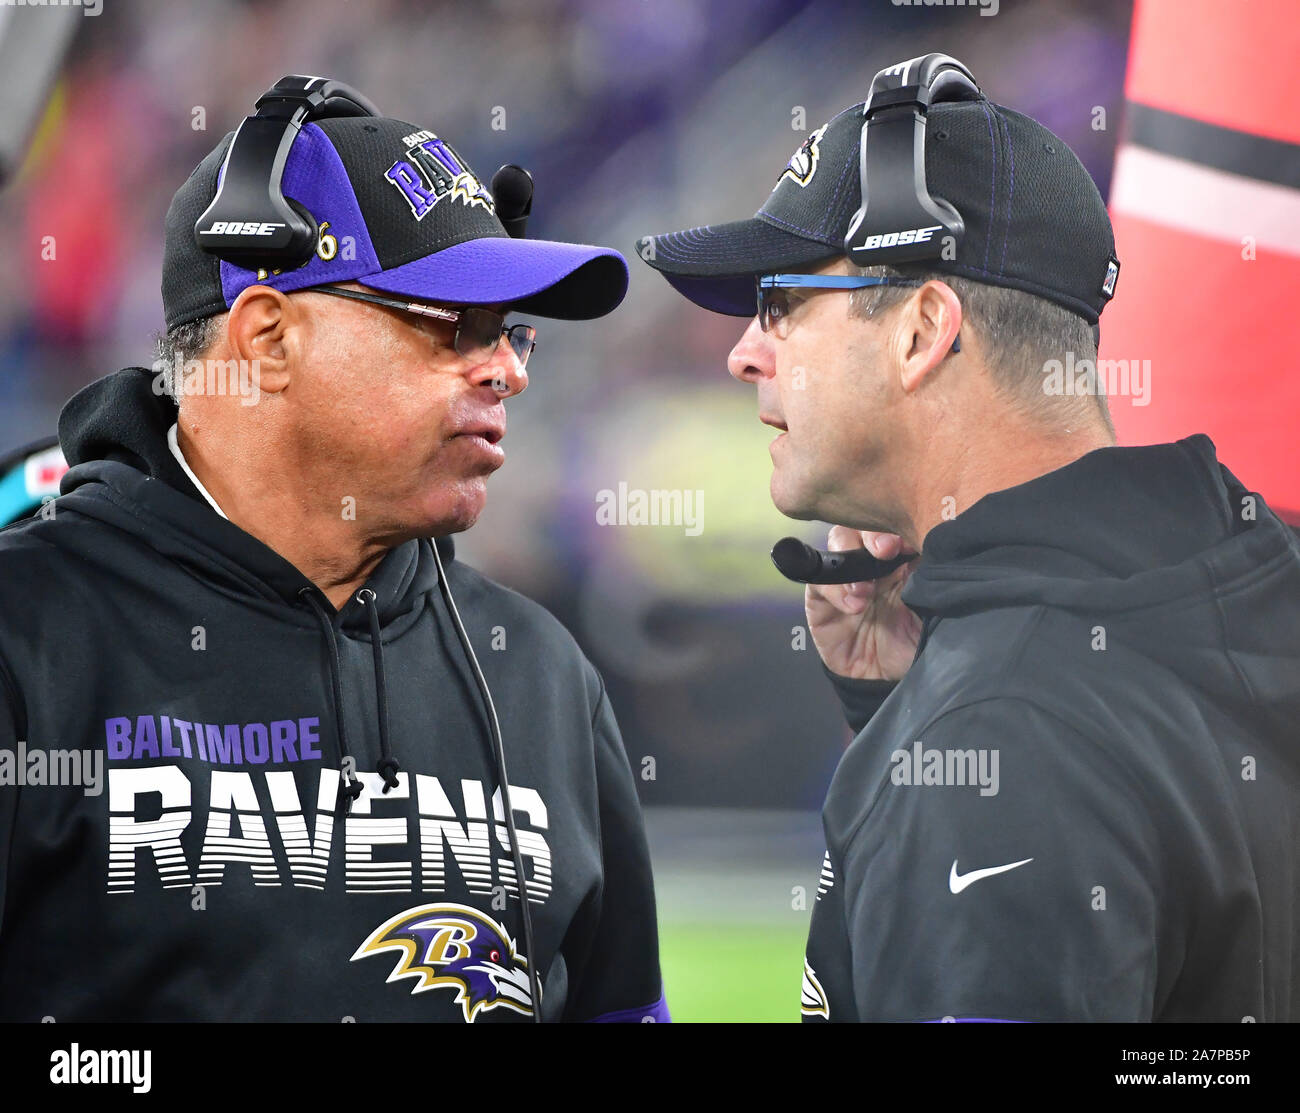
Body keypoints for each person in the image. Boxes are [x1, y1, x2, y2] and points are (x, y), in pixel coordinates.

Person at [640, 53, 1300, 1021]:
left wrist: (944, 732)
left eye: (779, 305)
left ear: (921, 330)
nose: (746, 353)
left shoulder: (1006, 724)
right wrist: (900, 711)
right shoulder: (1226, 601)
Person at [0, 77, 668, 1023]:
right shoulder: (28, 637)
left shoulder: (544, 677)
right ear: (267, 338)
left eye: (511, 331)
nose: (510, 367)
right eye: (454, 323)